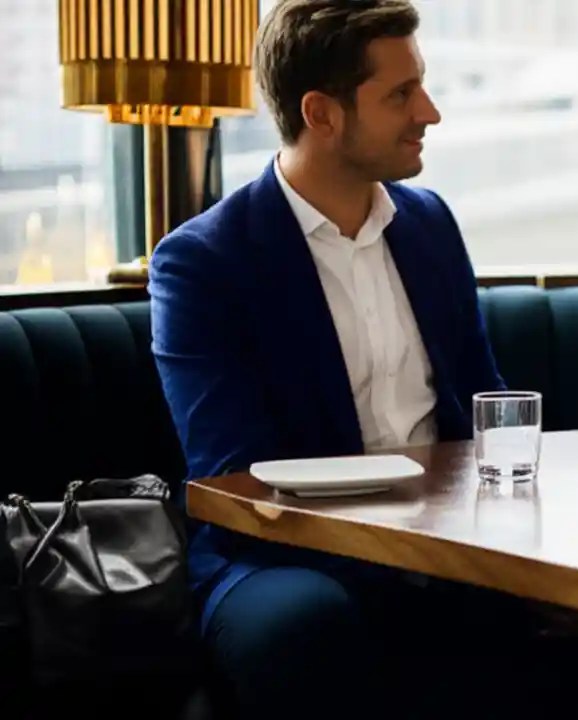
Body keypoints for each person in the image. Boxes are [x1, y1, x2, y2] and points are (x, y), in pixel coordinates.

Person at [148, 1, 511, 716]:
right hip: (274, 560)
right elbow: (234, 476)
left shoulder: (431, 226)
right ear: (322, 114)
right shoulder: (204, 263)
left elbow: (484, 407)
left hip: (447, 544)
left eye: (422, 85)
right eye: (400, 94)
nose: (429, 112)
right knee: (307, 622)